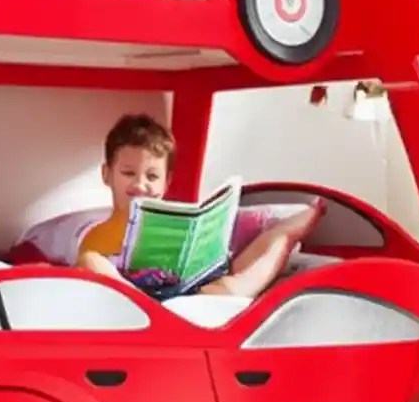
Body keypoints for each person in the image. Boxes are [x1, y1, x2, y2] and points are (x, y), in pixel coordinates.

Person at [76, 113, 323, 299]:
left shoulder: (182, 224)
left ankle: (290, 229)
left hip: (197, 297)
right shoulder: (96, 237)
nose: (140, 185)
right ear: (106, 174)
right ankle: (149, 310)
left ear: (167, 182)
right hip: (140, 303)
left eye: (152, 177)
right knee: (90, 260)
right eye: (129, 173)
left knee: (238, 275)